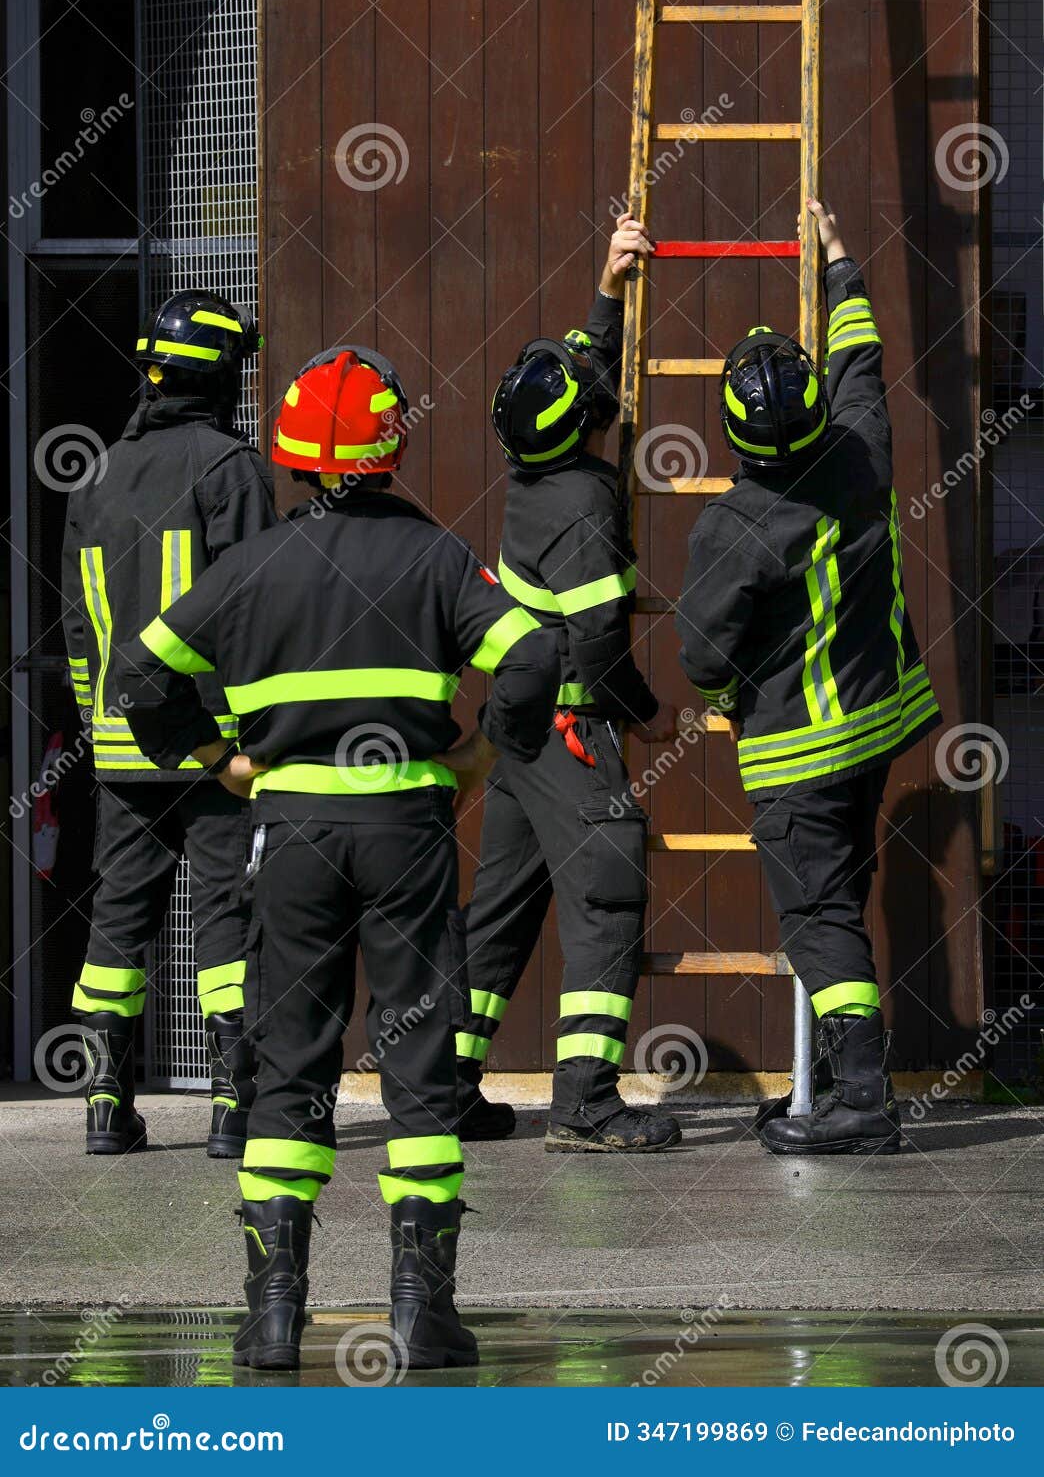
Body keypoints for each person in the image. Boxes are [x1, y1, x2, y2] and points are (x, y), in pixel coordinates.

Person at [119, 345, 558, 1372]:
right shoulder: (439, 558)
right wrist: (483, 751)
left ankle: (273, 1315)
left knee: (291, 1063)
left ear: (292, 456)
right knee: (420, 1063)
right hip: (409, 830)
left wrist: (221, 761)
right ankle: (423, 1313)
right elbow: (534, 653)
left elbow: (136, 674)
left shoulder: (253, 566)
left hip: (293, 837)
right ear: (390, 450)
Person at [676, 199, 942, 1155]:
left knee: (820, 916)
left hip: (797, 756)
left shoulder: (731, 525)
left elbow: (703, 656)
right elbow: (860, 359)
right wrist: (838, 262)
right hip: (877, 730)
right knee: (844, 900)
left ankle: (861, 1102)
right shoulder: (863, 451)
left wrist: (726, 702)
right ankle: (826, 1081)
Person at [457, 217, 682, 1154]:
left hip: (519, 729)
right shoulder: (585, 505)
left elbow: (581, 377)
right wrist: (645, 714)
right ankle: (585, 1101)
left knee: (502, 910)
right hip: (570, 731)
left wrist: (610, 285)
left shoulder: (535, 472)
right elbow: (596, 645)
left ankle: (446, 1086)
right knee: (606, 897)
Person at [62, 292, 276, 1158]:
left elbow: (79, 623)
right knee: (227, 914)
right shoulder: (232, 468)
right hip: (220, 748)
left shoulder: (97, 474)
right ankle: (234, 1110)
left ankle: (104, 1107)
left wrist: (100, 720)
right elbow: (257, 610)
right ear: (221, 377)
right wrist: (256, 735)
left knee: (118, 917)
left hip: (122, 745)